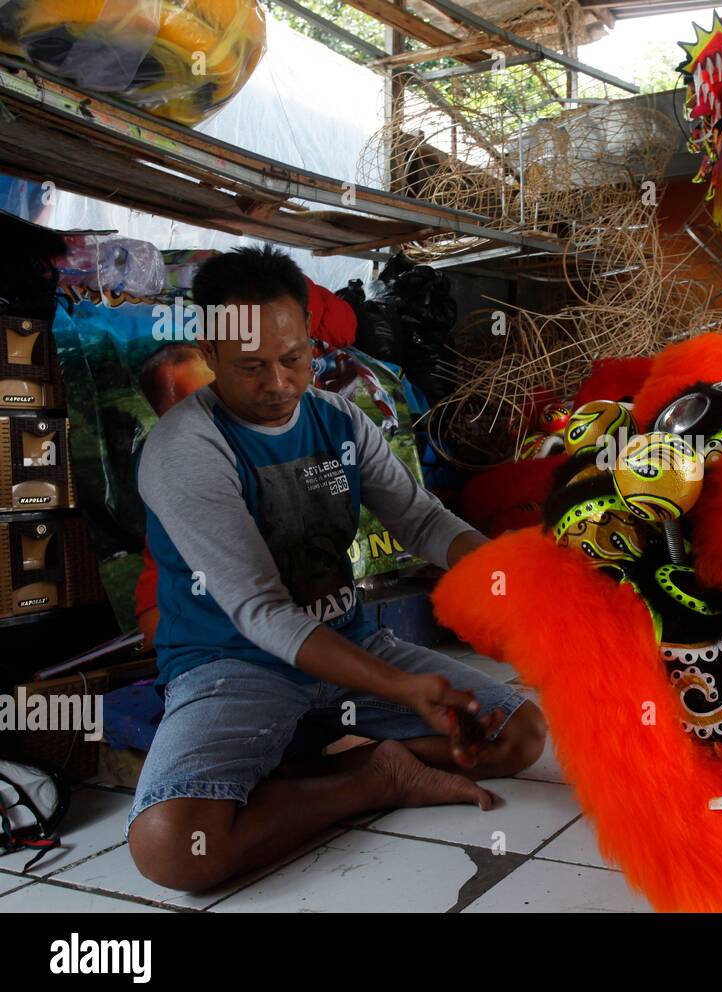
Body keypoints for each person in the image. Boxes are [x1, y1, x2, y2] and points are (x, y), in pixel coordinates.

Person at [126, 246, 545, 892]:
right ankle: (373, 775)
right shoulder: (185, 447)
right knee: (171, 846)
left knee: (518, 734)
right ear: (209, 349)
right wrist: (403, 689)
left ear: (309, 337)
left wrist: (511, 572)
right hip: (233, 666)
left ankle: (307, 764)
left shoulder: (341, 420)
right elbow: (264, 614)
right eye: (251, 366)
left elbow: (424, 521)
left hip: (348, 646)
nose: (279, 383)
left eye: (294, 359)